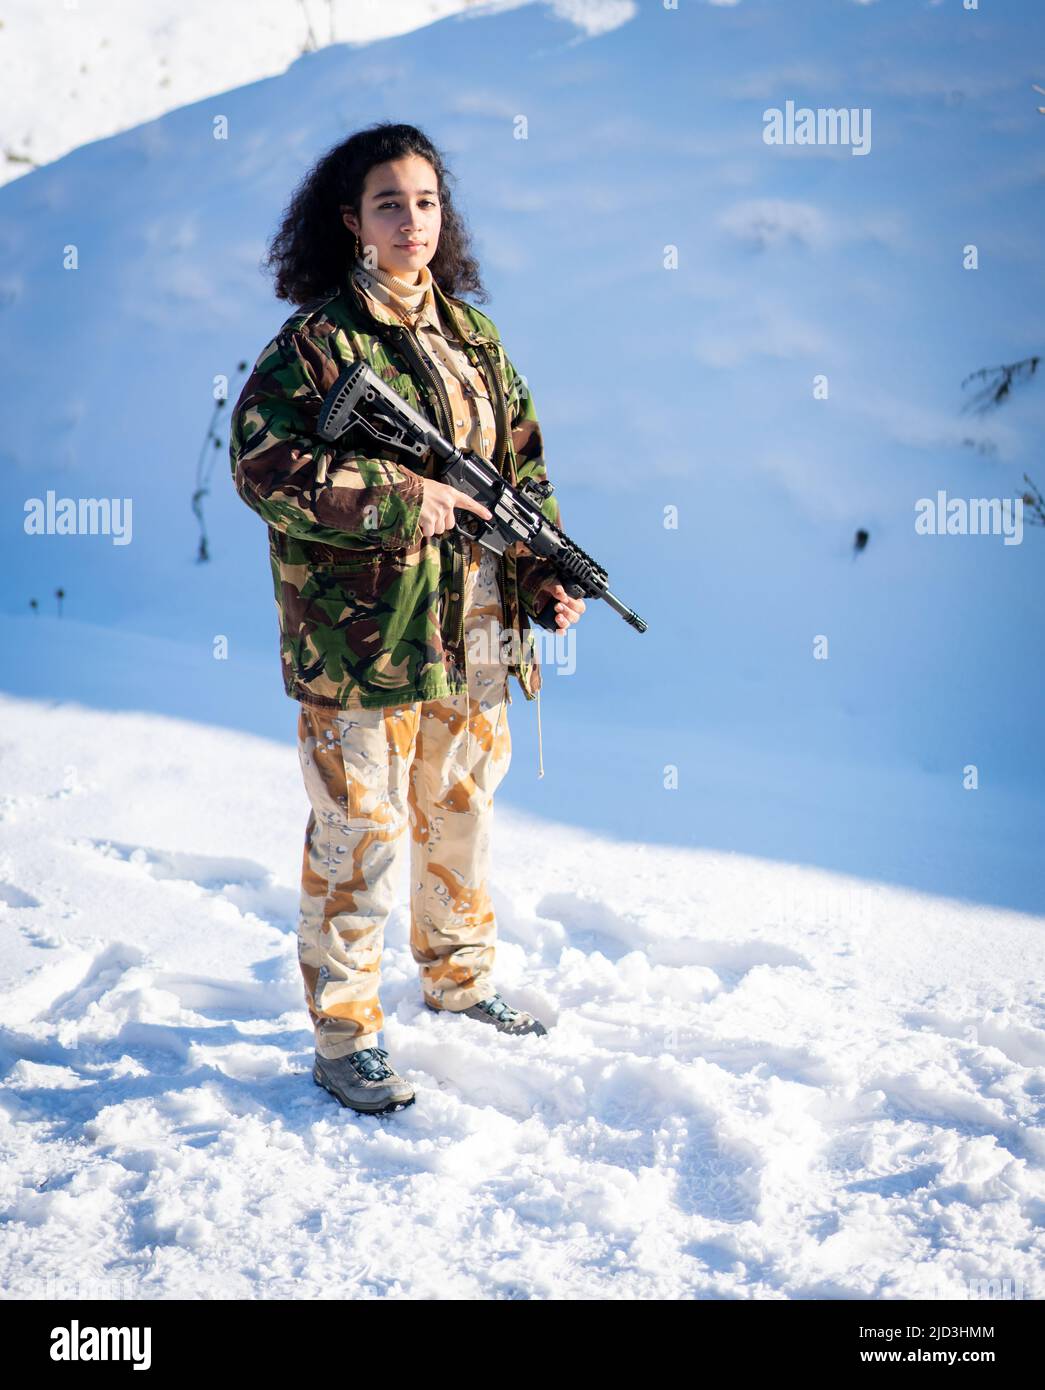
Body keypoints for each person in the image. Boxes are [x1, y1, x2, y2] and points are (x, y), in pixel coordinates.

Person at [229, 122, 585, 1115]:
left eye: (426, 202)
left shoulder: (473, 336)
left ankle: (459, 979)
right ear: (350, 220)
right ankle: (345, 1036)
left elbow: (522, 470)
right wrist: (394, 497)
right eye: (389, 202)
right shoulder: (315, 346)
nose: (412, 221)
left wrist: (547, 567)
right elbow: (265, 470)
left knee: (460, 810)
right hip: (360, 640)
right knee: (360, 833)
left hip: (473, 626)